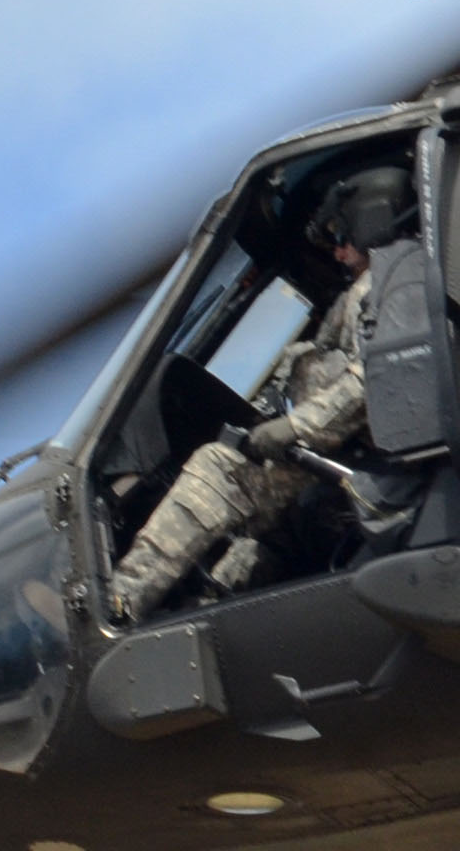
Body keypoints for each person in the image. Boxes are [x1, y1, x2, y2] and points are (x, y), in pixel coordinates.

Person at [106, 167, 408, 622]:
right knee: (262, 543)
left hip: (357, 464)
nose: (339, 251)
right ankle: (199, 613)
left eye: (342, 235)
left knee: (220, 471)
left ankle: (121, 603)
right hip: (344, 466)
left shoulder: (384, 288)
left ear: (372, 221)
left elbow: (370, 382)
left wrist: (293, 428)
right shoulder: (387, 286)